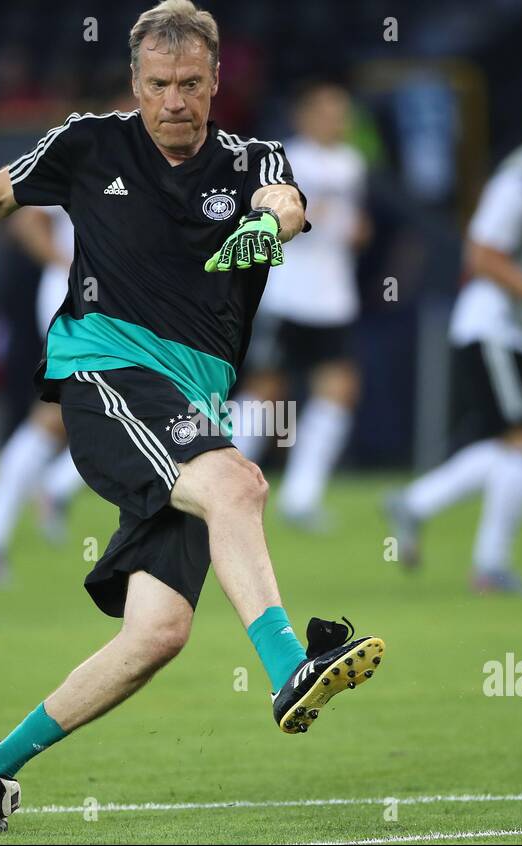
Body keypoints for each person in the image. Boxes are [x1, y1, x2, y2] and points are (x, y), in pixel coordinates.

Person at [0, 0, 385, 835]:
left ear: (216, 85)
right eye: (161, 84)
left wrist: (264, 227)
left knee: (159, 632)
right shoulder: (88, 143)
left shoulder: (250, 158)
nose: (176, 100)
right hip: (104, 373)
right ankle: (290, 665)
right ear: (136, 81)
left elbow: (287, 202)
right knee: (239, 481)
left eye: (193, 85)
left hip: (191, 401)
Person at [386, 62, 522, 593]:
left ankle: (416, 504)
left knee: (518, 444)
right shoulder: (521, 175)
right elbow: (482, 256)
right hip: (495, 325)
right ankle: (488, 566)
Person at [230, 82, 370, 529]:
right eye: (328, 111)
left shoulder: (353, 163)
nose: (338, 121)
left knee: (339, 389)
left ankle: (302, 496)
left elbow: (354, 225)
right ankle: (217, 476)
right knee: (267, 395)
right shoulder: (282, 159)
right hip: (287, 294)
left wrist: (356, 231)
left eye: (342, 112)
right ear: (304, 116)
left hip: (334, 299)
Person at [0, 205, 86, 581]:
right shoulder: (88, 146)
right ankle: (53, 489)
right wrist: (68, 265)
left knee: (65, 415)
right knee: (116, 404)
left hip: (106, 305)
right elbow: (27, 218)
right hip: (78, 304)